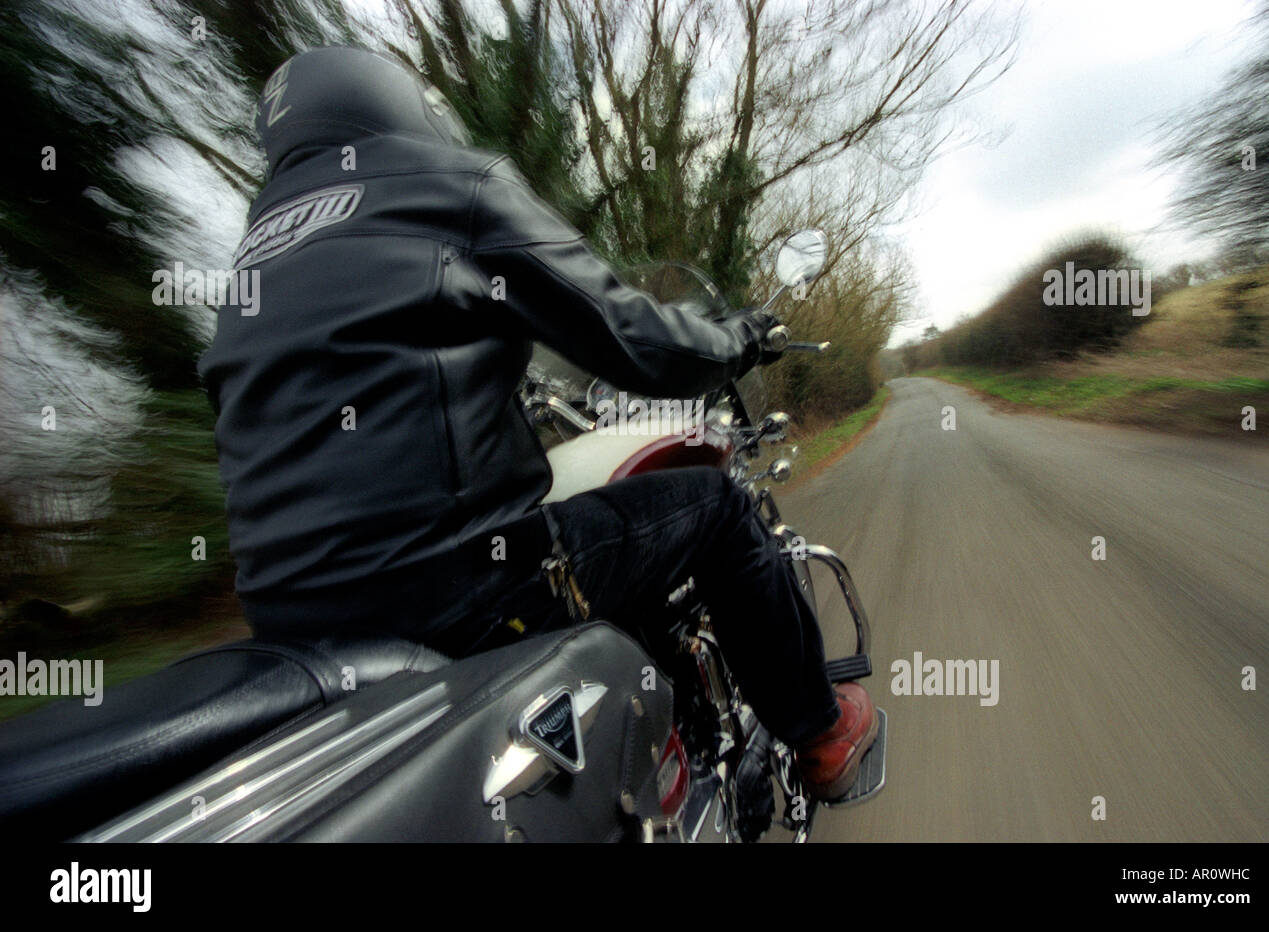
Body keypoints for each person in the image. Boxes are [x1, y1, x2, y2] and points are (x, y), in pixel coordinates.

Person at [198, 46, 876, 800]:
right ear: (394, 103)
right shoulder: (446, 184)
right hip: (462, 594)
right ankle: (822, 733)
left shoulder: (246, 271)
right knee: (717, 508)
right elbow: (639, 343)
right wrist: (739, 339)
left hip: (295, 636)